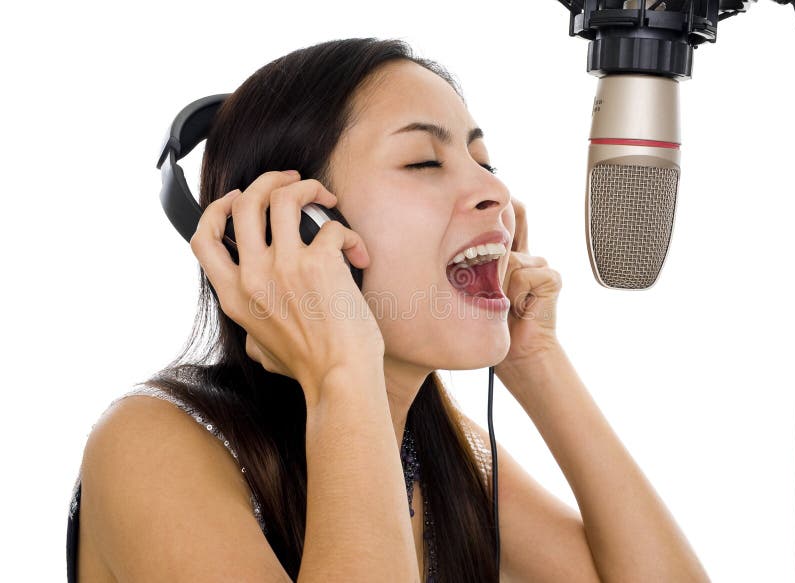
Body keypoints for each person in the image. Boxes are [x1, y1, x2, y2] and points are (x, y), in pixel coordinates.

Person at [66, 37, 711, 583]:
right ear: (298, 230)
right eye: (424, 161)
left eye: (484, 162)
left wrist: (536, 362)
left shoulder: (441, 452)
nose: (496, 193)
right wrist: (341, 375)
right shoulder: (150, 443)